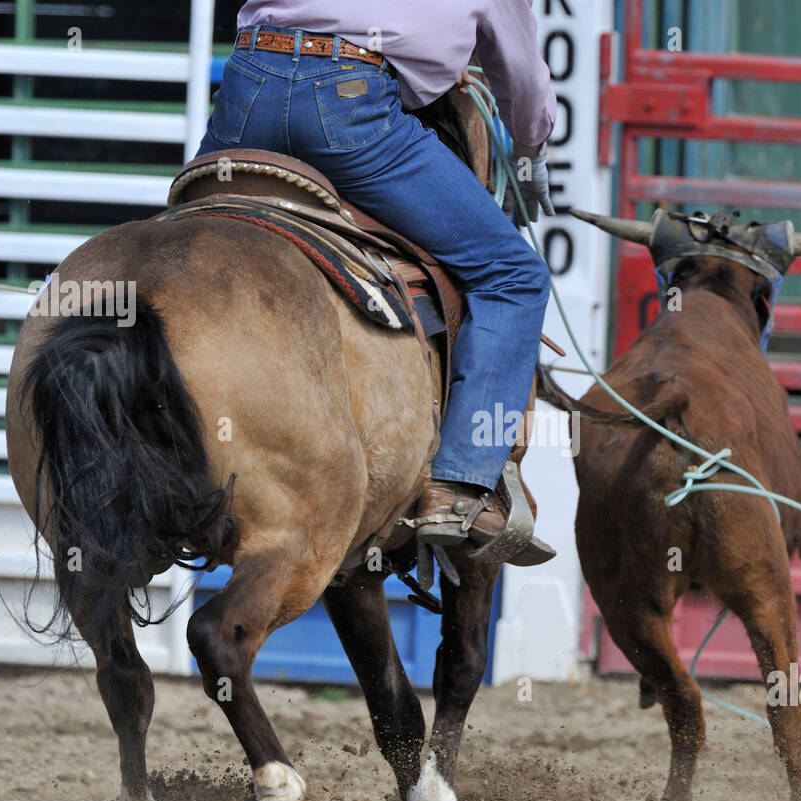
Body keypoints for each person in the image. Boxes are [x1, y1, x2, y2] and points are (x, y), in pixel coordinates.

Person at [198, 1, 557, 565]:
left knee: (181, 246)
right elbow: (523, 80)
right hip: (350, 109)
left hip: (246, 90)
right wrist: (533, 150)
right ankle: (460, 486)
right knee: (514, 275)